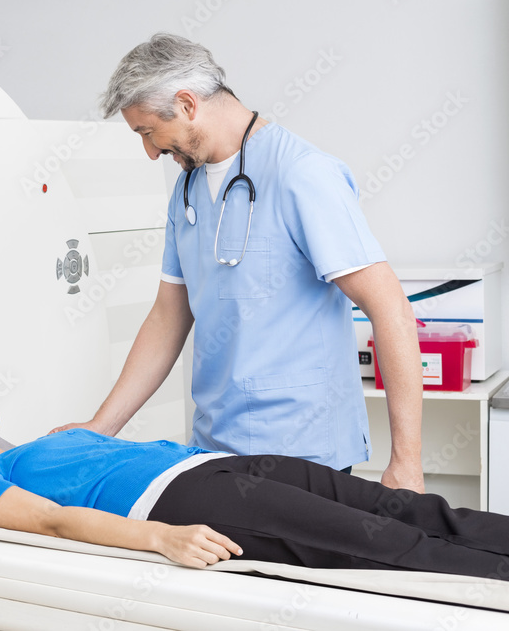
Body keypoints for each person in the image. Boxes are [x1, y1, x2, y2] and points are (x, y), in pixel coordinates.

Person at [53, 33, 425, 493]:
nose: (150, 153)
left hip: (304, 453)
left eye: (148, 132)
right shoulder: (186, 190)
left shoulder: (302, 174)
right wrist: (99, 427)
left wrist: (407, 462)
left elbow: (391, 310)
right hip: (214, 449)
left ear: (187, 104)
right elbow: (169, 316)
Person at [0, 379, 509, 578]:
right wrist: (163, 537)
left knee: (416, 511)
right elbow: (51, 522)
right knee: (384, 545)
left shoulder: (48, 441)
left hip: (221, 465)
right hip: (186, 499)